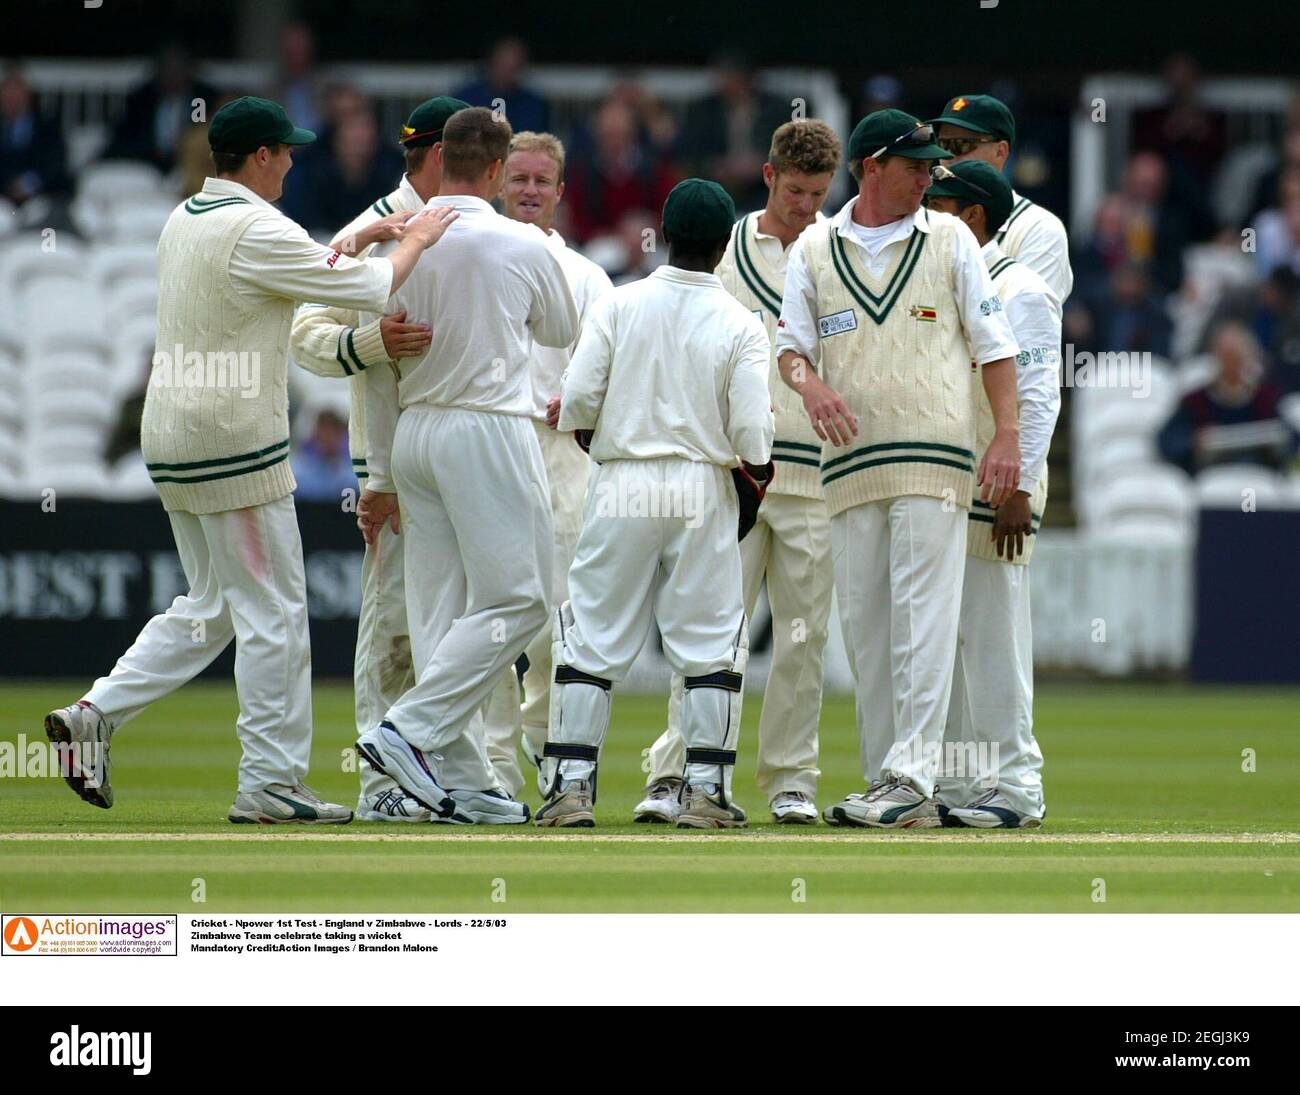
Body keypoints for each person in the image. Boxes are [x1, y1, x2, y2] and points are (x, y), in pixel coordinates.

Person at [45, 96, 457, 823]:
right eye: (286, 152)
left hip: (173, 439)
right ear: (261, 157)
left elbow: (308, 263)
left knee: (209, 608)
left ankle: (94, 713)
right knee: (273, 611)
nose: (294, 163)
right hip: (233, 441)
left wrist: (367, 230)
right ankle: (270, 783)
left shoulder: (187, 217)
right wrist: (416, 236)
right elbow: (363, 286)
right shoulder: (258, 226)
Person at [775, 110, 1021, 828]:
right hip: (850, 466)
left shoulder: (948, 241)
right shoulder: (815, 249)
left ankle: (911, 774)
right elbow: (791, 347)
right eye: (914, 166)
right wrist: (810, 384)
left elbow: (995, 345)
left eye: (929, 167)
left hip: (935, 457)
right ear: (870, 167)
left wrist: (1005, 433)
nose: (927, 177)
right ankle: (893, 781)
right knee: (868, 628)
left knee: (923, 619)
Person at [353, 108, 577, 823]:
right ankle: (409, 729)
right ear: (494, 172)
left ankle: (464, 777)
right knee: (522, 599)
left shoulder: (403, 241)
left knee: (441, 612)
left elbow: (357, 318)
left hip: (415, 432)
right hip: (486, 425)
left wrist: (380, 472)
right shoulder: (519, 240)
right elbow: (562, 329)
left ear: (441, 161)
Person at [538, 178, 773, 828]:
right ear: (726, 243)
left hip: (623, 477)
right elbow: (753, 435)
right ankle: (705, 794)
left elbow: (578, 399)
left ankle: (569, 789)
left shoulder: (619, 303)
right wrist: (752, 479)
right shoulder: (742, 322)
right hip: (702, 483)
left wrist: (614, 446)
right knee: (710, 644)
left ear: (664, 234)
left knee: (591, 635)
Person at [291, 95, 498, 823]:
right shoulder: (372, 230)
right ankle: (382, 784)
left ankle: (453, 776)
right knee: (394, 625)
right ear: (442, 155)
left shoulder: (483, 228)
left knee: (464, 623)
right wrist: (370, 344)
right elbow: (305, 334)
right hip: (393, 470)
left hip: (466, 463)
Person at [638, 119, 841, 826]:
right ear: (767, 176)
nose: (807, 207)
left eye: (818, 193)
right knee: (709, 629)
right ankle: (673, 772)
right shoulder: (722, 251)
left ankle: (791, 779)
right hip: (735, 473)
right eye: (795, 191)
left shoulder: (835, 250)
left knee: (802, 637)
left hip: (817, 477)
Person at [923, 160, 1062, 828]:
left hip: (998, 488)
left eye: (940, 203)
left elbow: (1037, 397)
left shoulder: (1022, 287)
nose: (928, 214)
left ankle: (1016, 785)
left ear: (972, 215)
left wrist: (1021, 487)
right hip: (954, 483)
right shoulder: (967, 277)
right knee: (949, 638)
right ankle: (958, 782)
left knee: (994, 634)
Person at [480, 131, 613, 797]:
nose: (530, 190)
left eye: (542, 181)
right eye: (520, 178)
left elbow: (610, 369)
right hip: (496, 446)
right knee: (495, 619)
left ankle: (549, 748)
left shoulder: (587, 276)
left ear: (560, 191)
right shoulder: (476, 258)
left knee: (563, 624)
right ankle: (498, 771)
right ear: (501, 180)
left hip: (565, 457)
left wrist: (583, 403)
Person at [929, 94, 1073, 302]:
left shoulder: (1038, 228)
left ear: (1000, 151)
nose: (950, 156)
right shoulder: (923, 218)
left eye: (962, 144)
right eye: (943, 145)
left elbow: (1026, 323)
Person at [1157, 322, 1298, 473]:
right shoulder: (1195, 401)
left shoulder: (1266, 399)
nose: (1231, 363)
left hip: (1257, 474)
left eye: (1236, 357)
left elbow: (1291, 439)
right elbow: (1167, 441)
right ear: (1216, 357)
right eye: (1226, 356)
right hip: (1209, 477)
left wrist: (1275, 441)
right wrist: (1193, 443)